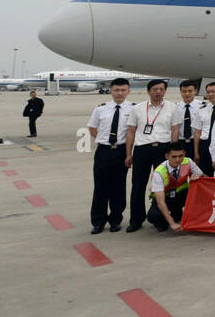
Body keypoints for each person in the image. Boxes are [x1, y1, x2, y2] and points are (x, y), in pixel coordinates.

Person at [125, 79, 175, 231]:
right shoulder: (138, 109)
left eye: (161, 89)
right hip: (142, 149)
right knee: (138, 185)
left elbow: (175, 130)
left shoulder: (172, 107)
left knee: (163, 186)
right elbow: (131, 131)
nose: (158, 92)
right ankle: (136, 220)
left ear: (165, 91)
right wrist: (129, 153)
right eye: (155, 89)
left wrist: (173, 153)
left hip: (163, 149)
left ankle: (159, 219)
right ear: (148, 91)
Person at [86, 78, 133, 233]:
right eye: (116, 90)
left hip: (121, 152)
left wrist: (128, 154)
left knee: (118, 187)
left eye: (123, 90)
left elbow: (131, 132)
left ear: (128, 91)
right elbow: (92, 128)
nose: (119, 93)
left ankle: (115, 220)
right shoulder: (101, 109)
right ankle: (98, 222)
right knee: (100, 187)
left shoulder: (133, 109)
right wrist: (104, 140)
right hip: (104, 151)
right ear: (111, 91)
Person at [144, 141, 203, 232]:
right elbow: (160, 201)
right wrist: (172, 223)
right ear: (167, 156)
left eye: (181, 156)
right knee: (154, 216)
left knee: (198, 188)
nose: (178, 160)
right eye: (174, 157)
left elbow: (202, 175)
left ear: (184, 154)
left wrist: (198, 176)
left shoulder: (188, 161)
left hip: (181, 194)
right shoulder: (159, 172)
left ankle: (179, 213)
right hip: (166, 197)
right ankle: (169, 218)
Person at [193, 81, 215, 177]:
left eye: (213, 91)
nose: (210, 94)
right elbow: (197, 132)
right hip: (205, 145)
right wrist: (196, 152)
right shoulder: (202, 109)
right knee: (205, 176)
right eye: (208, 92)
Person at [171, 79, 204, 149]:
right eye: (184, 91)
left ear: (196, 91)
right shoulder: (175, 108)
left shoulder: (202, 107)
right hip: (180, 142)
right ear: (180, 92)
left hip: (198, 142)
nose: (187, 94)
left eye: (190, 91)